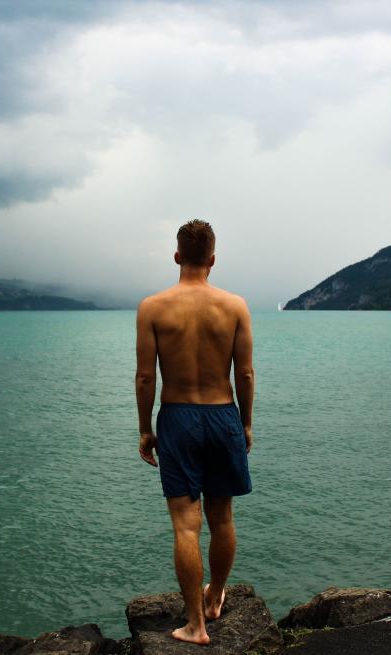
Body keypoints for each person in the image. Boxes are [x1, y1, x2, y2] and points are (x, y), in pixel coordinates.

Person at [135, 219, 255, 645]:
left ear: (177, 256)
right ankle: (216, 596)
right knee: (222, 517)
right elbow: (244, 371)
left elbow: (146, 377)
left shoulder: (153, 307)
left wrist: (145, 428)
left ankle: (195, 626)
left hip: (178, 419)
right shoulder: (235, 306)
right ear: (213, 260)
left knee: (186, 527)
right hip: (223, 414)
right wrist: (245, 423)